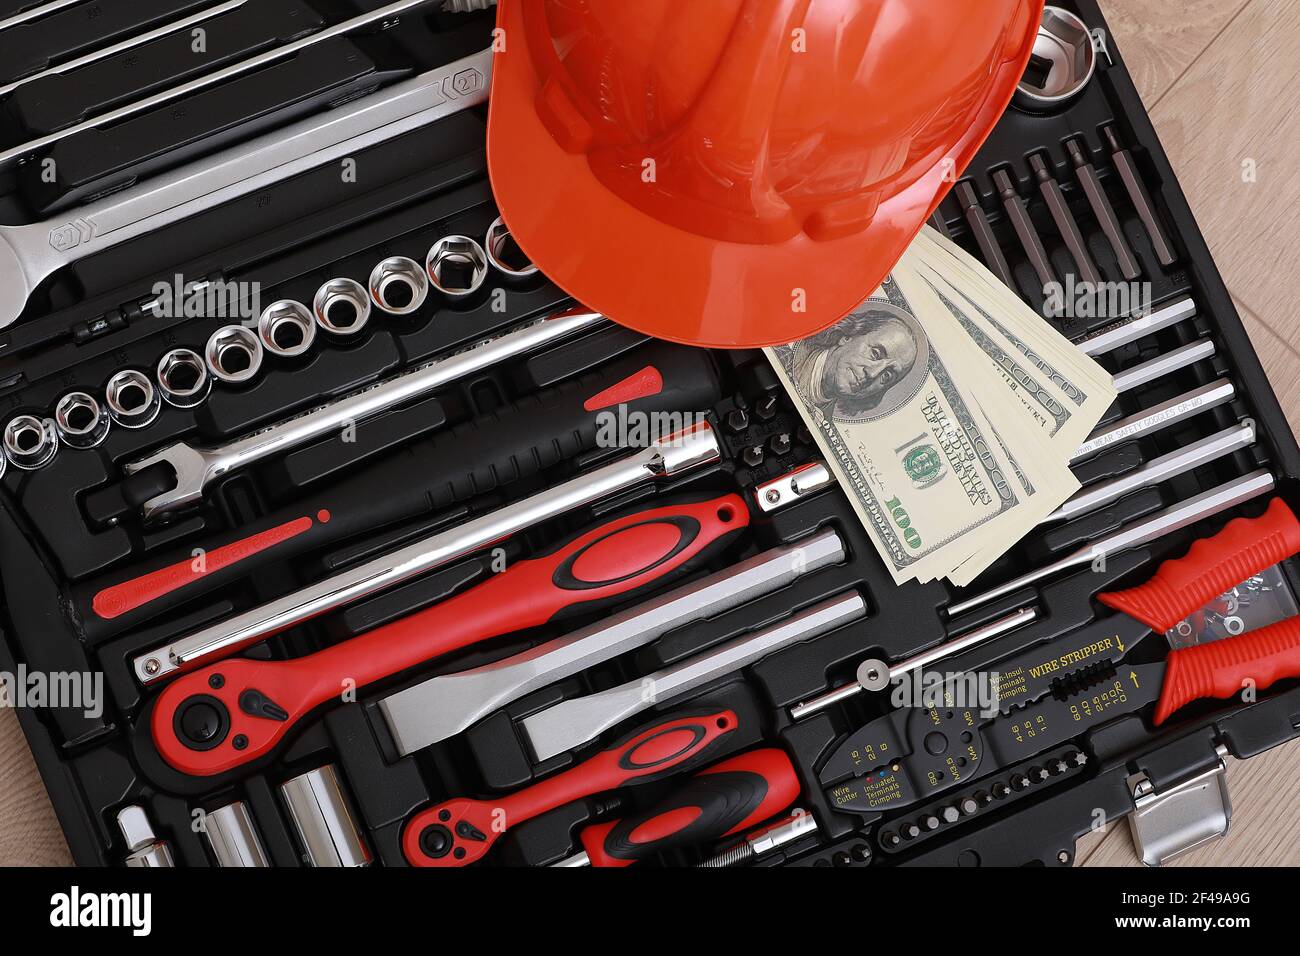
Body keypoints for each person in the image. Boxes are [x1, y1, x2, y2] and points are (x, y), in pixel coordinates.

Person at [790, 306, 920, 421]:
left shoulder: (822, 424)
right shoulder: (789, 348)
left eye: (887, 375)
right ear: (847, 337)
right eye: (875, 354)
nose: (872, 373)